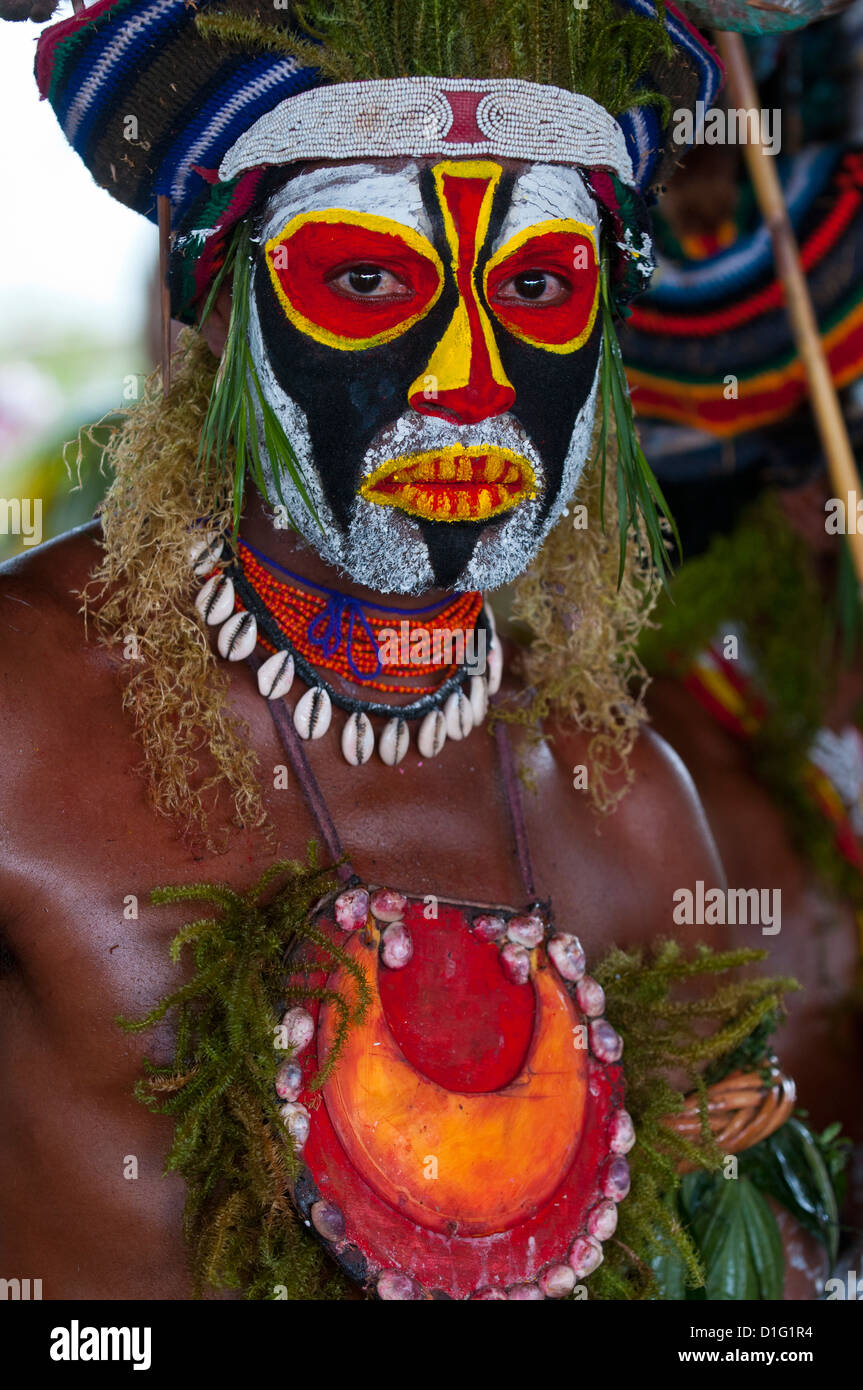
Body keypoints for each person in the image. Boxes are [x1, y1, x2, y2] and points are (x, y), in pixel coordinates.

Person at [0, 0, 832, 1301]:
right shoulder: (22, 713)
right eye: (370, 277)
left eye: (540, 289)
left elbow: (740, 1279)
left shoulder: (629, 803)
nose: (473, 379)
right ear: (218, 311)